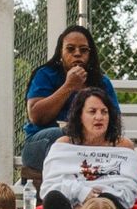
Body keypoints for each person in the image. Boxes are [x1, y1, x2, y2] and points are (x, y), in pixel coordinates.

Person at [38, 87, 137, 209]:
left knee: (107, 200)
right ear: (80, 115)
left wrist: (89, 205)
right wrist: (81, 194)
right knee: (53, 199)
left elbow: (127, 194)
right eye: (92, 112)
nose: (99, 117)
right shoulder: (63, 145)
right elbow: (48, 188)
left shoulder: (123, 146)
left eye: (104, 112)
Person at [22, 24, 102, 177]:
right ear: (61, 52)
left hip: (87, 147)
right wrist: (69, 85)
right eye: (70, 49)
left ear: (90, 55)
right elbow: (36, 116)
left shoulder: (101, 82)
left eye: (83, 50)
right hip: (41, 143)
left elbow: (114, 120)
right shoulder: (45, 75)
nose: (77, 54)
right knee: (60, 136)